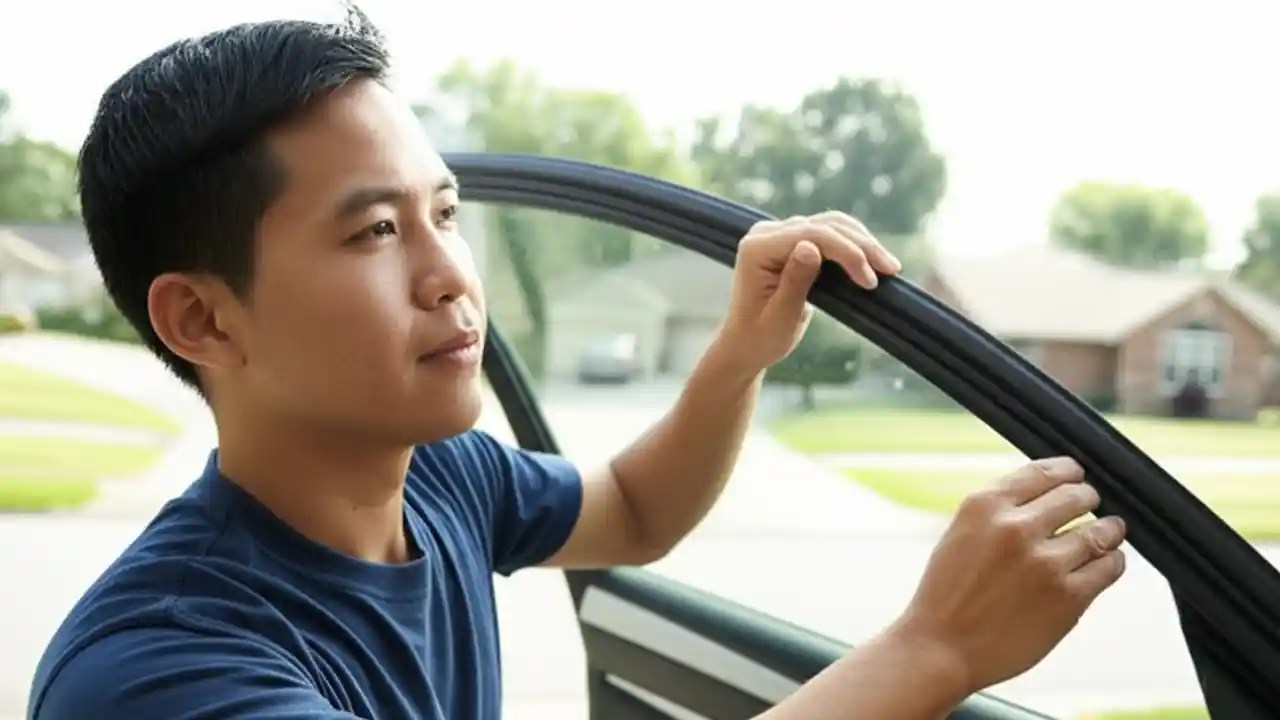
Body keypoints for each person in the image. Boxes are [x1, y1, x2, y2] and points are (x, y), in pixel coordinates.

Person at [27, 8, 1128, 720]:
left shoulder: (441, 476)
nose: (450, 271)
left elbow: (638, 510)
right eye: (373, 232)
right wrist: (930, 649)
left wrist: (738, 353)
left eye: (444, 212)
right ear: (203, 323)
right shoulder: (157, 676)